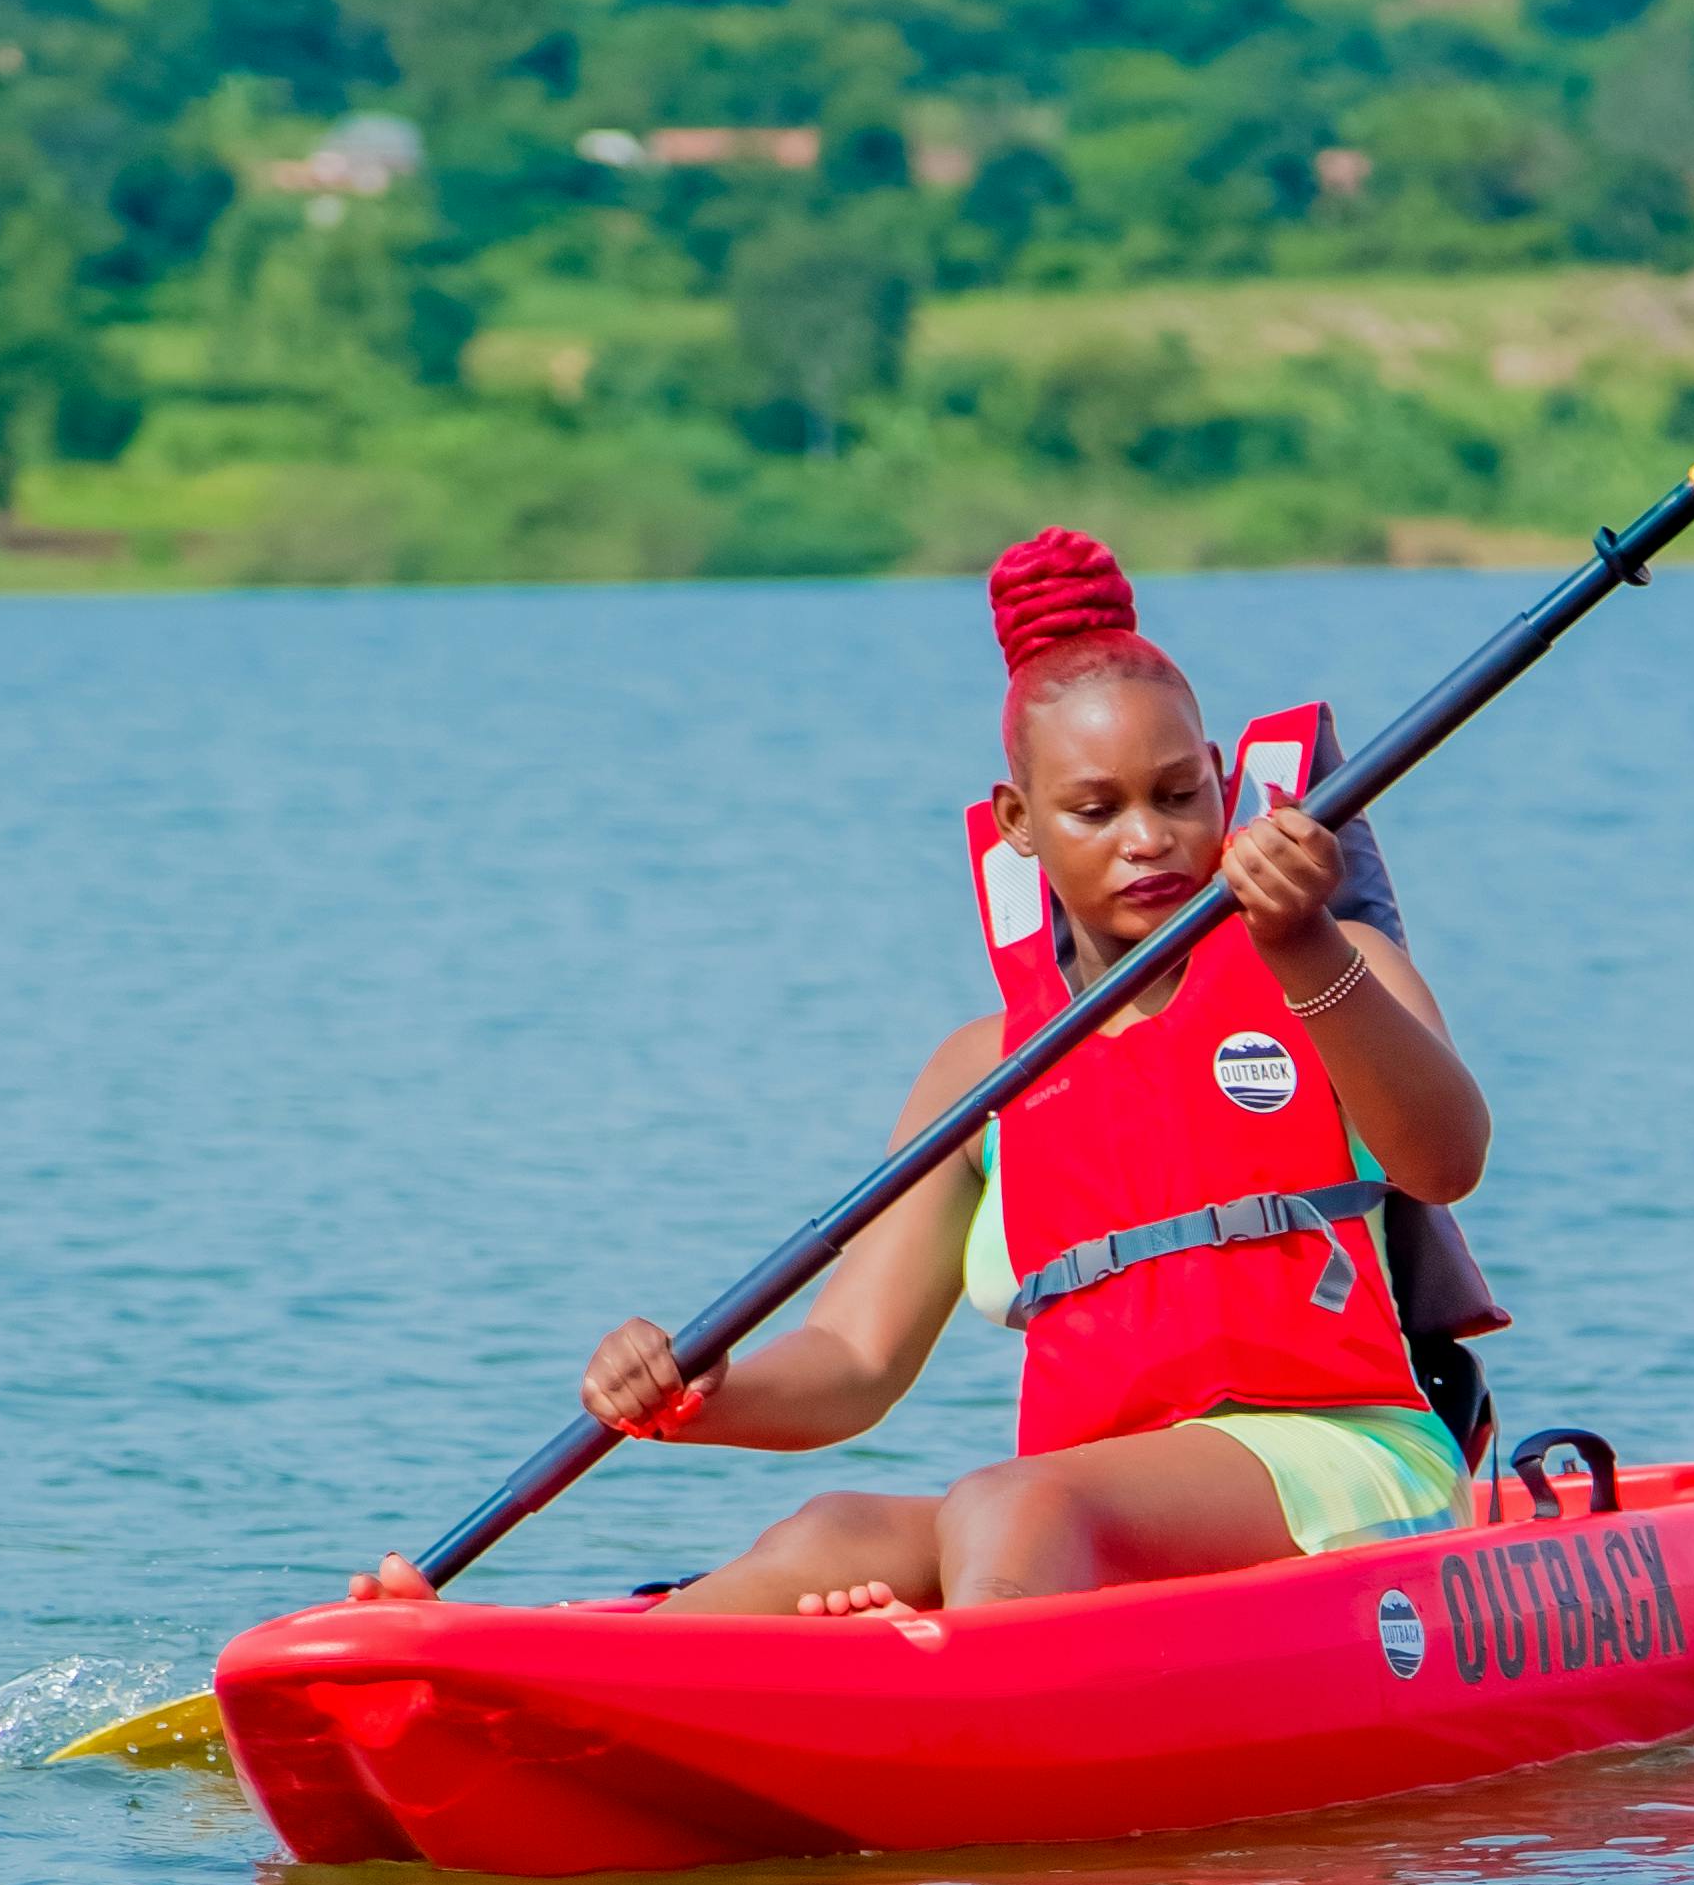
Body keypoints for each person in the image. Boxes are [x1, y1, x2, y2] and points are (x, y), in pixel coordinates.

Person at [352, 529, 1499, 1621]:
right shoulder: (980, 1071)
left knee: (1012, 1503)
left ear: (1219, 778)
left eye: (1176, 795)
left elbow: (1444, 1162)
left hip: (1345, 1465)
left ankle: (976, 1691)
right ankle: (517, 1681)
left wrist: (1302, 947)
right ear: (1019, 825)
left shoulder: (1332, 966)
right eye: (1094, 810)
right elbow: (854, 1363)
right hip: (1085, 1511)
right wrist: (695, 1399)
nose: (1145, 838)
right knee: (831, 1534)